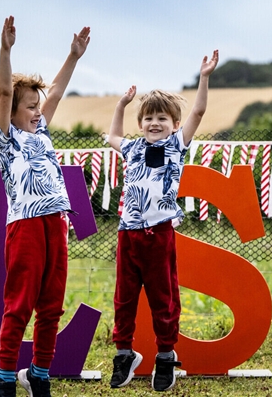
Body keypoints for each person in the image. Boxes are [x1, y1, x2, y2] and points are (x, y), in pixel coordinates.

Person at [0, 16, 90, 397]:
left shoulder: (41, 131)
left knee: (51, 305)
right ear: (11, 110)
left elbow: (58, 91)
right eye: (29, 106)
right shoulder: (5, 140)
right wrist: (5, 50)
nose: (36, 111)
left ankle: (40, 373)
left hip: (55, 225)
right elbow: (2, 94)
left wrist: (73, 55)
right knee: (20, 305)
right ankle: (5, 376)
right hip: (25, 227)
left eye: (36, 106)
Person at [105, 49, 219, 392]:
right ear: (141, 124)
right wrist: (121, 107)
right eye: (149, 118)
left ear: (173, 125)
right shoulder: (133, 149)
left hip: (159, 235)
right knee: (124, 298)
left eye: (162, 119)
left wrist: (204, 77)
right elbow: (112, 137)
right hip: (129, 235)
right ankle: (124, 354)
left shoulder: (176, 146)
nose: (155, 123)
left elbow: (198, 111)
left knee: (163, 297)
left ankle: (166, 357)